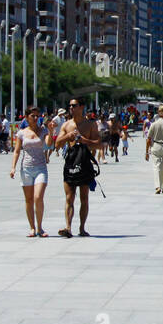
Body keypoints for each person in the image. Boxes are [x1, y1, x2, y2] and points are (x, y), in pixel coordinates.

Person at [55, 98, 102, 237]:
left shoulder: (90, 124)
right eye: (69, 105)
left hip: (85, 162)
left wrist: (84, 140)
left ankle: (82, 228)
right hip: (70, 162)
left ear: (81, 107)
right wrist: (67, 136)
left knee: (84, 198)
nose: (71, 108)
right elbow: (56, 144)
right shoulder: (66, 125)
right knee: (69, 197)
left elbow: (98, 144)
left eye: (74, 105)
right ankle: (68, 227)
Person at [8, 108, 53, 237]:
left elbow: (49, 144)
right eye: (32, 116)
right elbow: (17, 151)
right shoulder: (21, 133)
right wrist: (13, 167)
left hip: (40, 168)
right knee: (28, 200)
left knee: (38, 197)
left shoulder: (43, 130)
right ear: (27, 117)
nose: (35, 118)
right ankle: (32, 228)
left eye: (37, 116)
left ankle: (40, 227)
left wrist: (50, 131)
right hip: (26, 168)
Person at [145, 105, 163, 193]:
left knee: (156, 166)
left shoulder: (153, 124)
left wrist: (146, 152)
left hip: (156, 146)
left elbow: (148, 139)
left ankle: (157, 186)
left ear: (158, 113)